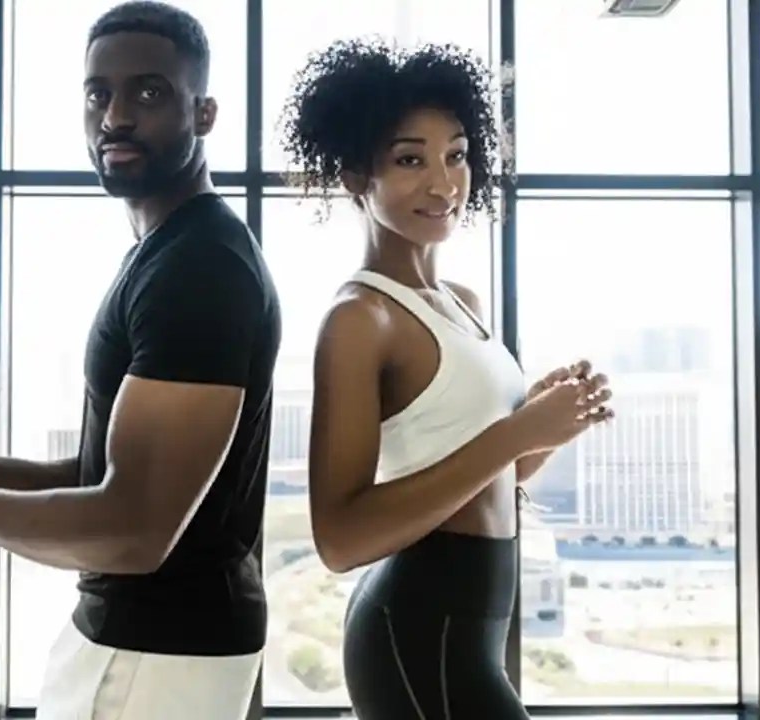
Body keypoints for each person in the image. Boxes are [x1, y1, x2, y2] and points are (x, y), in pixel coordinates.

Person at [0, 3, 281, 718]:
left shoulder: (200, 269)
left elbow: (136, 529)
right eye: (98, 94)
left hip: (161, 656)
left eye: (149, 92)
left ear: (205, 114)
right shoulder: (167, 256)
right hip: (144, 647)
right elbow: (107, 480)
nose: (115, 116)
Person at [278, 38, 613, 719]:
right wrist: (516, 431)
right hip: (415, 631)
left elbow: (488, 482)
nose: (443, 183)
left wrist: (547, 429)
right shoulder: (359, 320)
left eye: (455, 155)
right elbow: (340, 539)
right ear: (352, 176)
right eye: (409, 160)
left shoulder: (464, 303)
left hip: (468, 634)